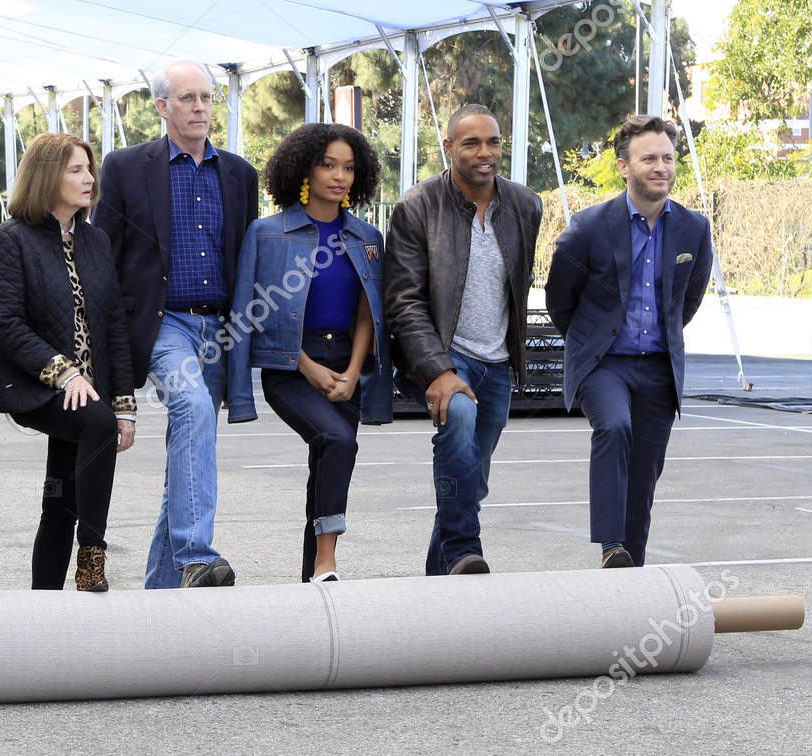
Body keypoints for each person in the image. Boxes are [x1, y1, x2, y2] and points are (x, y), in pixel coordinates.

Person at [93, 60, 258, 588]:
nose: (200, 107)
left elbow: (246, 262)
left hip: (220, 330)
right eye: (188, 98)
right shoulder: (125, 168)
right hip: (162, 325)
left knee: (189, 453)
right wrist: (106, 351)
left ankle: (161, 594)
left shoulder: (239, 175)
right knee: (192, 407)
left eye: (207, 98)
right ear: (162, 106)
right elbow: (101, 258)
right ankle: (195, 556)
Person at [545, 114, 713, 568]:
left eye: (667, 158)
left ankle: (629, 572)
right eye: (648, 159)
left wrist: (664, 337)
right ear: (624, 167)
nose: (661, 167)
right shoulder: (588, 226)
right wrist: (590, 342)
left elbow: (688, 300)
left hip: (659, 368)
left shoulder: (695, 229)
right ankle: (610, 545)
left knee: (644, 473)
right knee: (615, 427)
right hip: (604, 364)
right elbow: (560, 299)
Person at [383, 104, 544, 576]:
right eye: (471, 143)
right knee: (458, 421)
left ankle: (441, 585)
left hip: (497, 363)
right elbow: (403, 301)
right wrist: (438, 369)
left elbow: (517, 286)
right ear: (449, 147)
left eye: (493, 142)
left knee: (470, 482)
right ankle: (462, 550)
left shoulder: (526, 205)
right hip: (443, 354)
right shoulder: (418, 206)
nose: (484, 152)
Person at [226, 123, 391, 582]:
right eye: (328, 165)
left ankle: (313, 582)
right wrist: (308, 368)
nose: (339, 176)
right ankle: (327, 560)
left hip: (347, 366)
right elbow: (248, 310)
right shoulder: (266, 233)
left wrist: (353, 372)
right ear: (304, 170)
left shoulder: (367, 237)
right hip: (290, 367)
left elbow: (368, 313)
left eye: (349, 168)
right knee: (338, 441)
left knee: (327, 464)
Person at [0, 134, 137, 591]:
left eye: (89, 168)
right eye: (76, 170)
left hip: (89, 389)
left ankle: (43, 603)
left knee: (60, 501)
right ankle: (92, 555)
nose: (89, 178)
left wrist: (125, 404)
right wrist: (64, 374)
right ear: (46, 177)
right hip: (36, 386)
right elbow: (7, 323)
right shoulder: (10, 239)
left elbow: (113, 325)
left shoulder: (96, 241)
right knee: (96, 422)